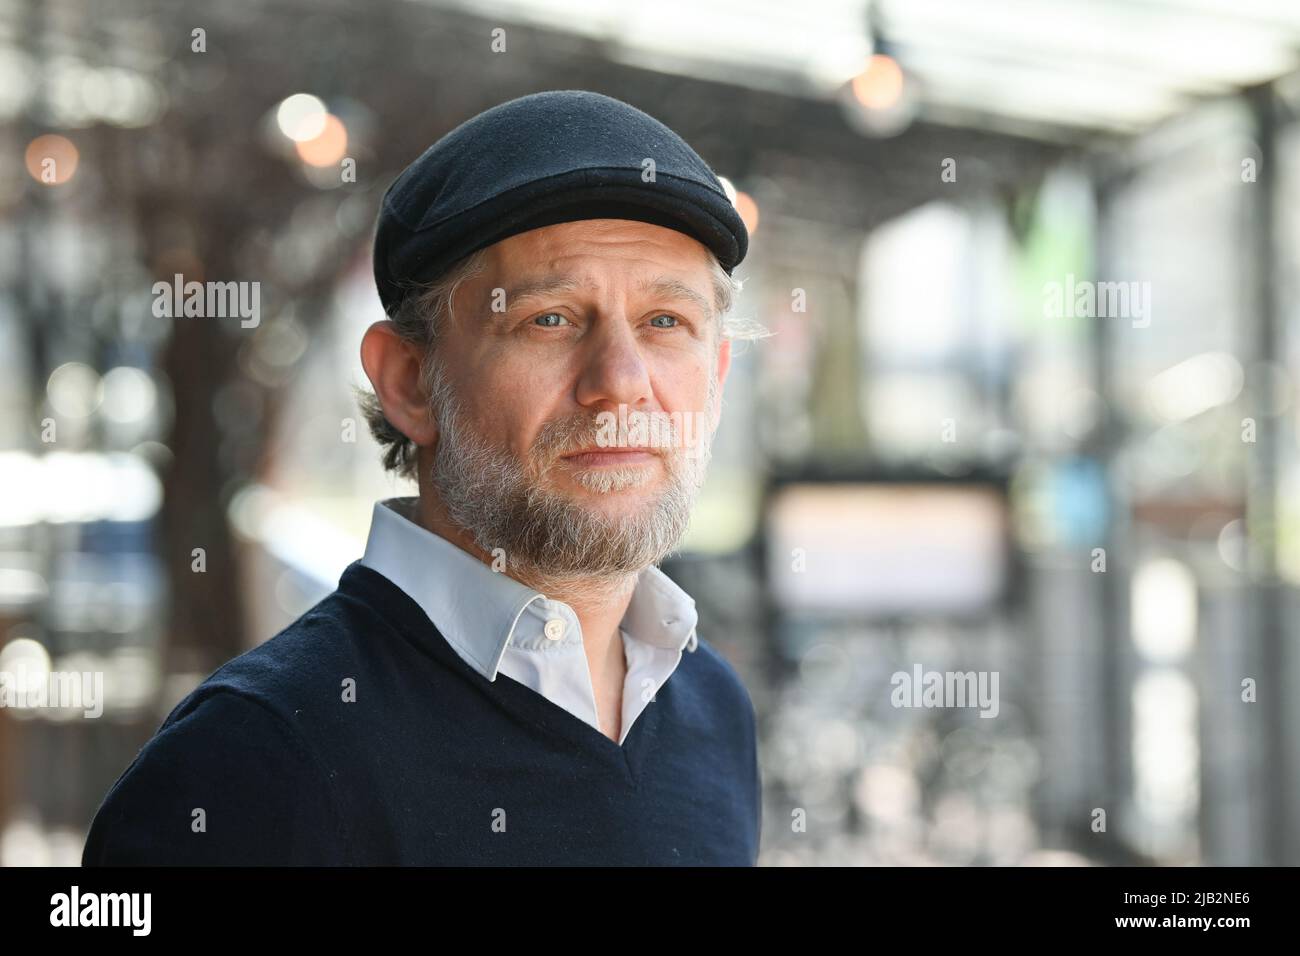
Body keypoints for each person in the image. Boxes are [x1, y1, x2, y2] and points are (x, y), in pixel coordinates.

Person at [82, 89, 763, 865]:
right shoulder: (247, 764)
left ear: (715, 372)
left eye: (665, 322)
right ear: (408, 380)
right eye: (550, 319)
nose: (620, 380)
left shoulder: (712, 710)